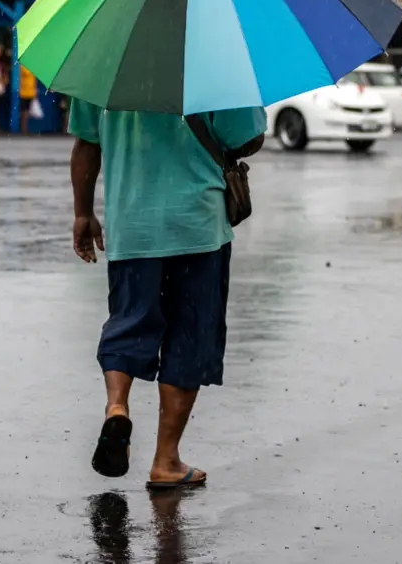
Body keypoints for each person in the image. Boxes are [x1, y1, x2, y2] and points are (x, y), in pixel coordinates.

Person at [70, 98, 265, 489]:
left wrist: (83, 213)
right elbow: (245, 137)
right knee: (190, 339)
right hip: (198, 226)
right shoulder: (218, 68)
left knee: (128, 323)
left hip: (132, 226)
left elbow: (86, 145)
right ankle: (166, 460)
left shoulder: (104, 70)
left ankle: (117, 407)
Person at [19, 65, 39, 134]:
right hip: (23, 92)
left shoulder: (33, 68)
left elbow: (34, 81)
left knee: (27, 111)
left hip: (31, 92)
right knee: (23, 110)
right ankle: (23, 128)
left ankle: (25, 128)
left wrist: (35, 91)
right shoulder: (22, 67)